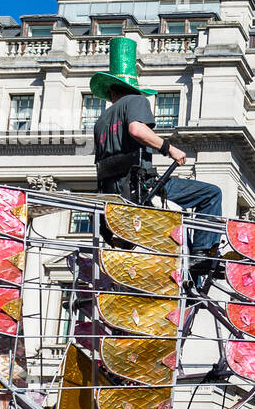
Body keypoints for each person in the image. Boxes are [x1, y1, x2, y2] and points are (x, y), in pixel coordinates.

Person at [90, 36, 223, 262]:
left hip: (113, 196)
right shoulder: (135, 100)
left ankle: (192, 253)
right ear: (130, 87)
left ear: (111, 91)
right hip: (141, 189)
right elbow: (136, 130)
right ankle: (203, 253)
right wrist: (169, 148)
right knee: (211, 194)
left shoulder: (101, 121)